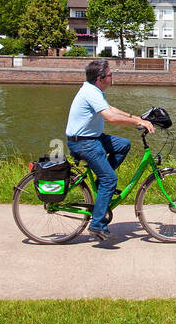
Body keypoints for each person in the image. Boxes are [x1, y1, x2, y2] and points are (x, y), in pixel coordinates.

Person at [66, 58, 155, 240]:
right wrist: (138, 122)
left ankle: (101, 186)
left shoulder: (94, 90)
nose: (112, 77)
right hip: (84, 142)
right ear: (100, 79)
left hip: (93, 138)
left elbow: (110, 108)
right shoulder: (90, 93)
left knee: (123, 145)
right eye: (109, 75)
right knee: (110, 179)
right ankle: (97, 224)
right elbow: (111, 118)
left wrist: (136, 116)